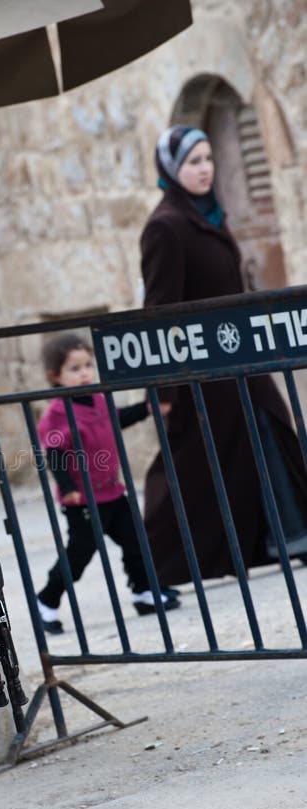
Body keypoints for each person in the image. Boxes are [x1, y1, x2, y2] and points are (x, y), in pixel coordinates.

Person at [140, 125, 307, 587]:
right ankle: (154, 567)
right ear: (172, 169)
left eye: (208, 159)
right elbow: (159, 311)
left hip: (239, 358)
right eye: (193, 161)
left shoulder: (210, 215)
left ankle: (289, 537)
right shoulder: (166, 226)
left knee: (272, 437)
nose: (205, 169)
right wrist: (168, 387)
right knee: (198, 467)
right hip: (202, 374)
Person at [35, 333, 180, 633]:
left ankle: (143, 592)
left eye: (88, 365)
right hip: (83, 501)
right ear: (55, 376)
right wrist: (69, 488)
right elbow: (54, 452)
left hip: (113, 493)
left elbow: (114, 418)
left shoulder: (99, 398)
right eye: (75, 368)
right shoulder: (57, 414)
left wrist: (145, 410)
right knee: (80, 553)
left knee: (135, 541)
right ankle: (46, 601)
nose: (85, 373)